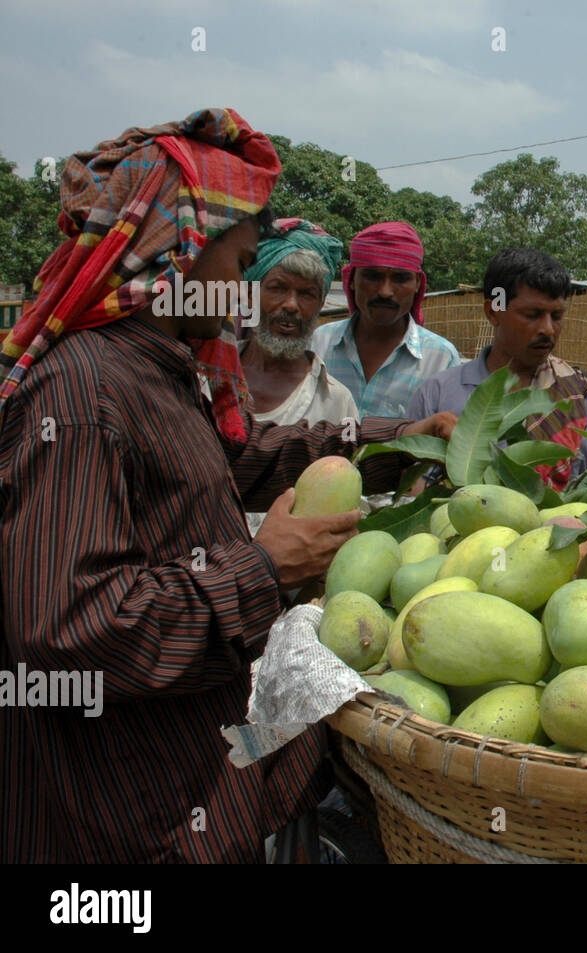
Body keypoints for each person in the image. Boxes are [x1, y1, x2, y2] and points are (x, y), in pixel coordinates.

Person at [0, 109, 455, 864]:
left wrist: (397, 441)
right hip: (118, 817)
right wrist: (263, 568)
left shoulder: (153, 371)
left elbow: (229, 462)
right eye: (241, 260)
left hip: (170, 772)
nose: (245, 287)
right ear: (176, 256)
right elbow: (73, 632)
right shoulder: (82, 394)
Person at [408, 248, 587, 490]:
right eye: (532, 314)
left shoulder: (580, 397)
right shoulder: (437, 395)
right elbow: (413, 486)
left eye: (556, 316)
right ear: (494, 311)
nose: (547, 329)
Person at [311, 221, 460, 418]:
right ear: (352, 280)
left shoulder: (441, 359)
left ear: (417, 284)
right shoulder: (318, 343)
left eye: (400, 278)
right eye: (372, 276)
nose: (385, 292)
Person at [239, 218, 358, 426]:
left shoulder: (336, 402)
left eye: (306, 294)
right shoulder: (205, 380)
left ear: (321, 303)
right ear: (250, 294)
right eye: (278, 288)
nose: (291, 305)